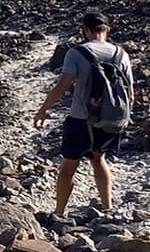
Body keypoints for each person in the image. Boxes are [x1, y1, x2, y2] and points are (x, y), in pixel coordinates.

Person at [31, 12, 135, 217]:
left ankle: (59, 212)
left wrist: (43, 110)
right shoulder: (121, 54)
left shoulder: (77, 53)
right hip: (112, 119)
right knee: (99, 159)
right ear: (108, 30)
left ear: (85, 31)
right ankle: (107, 208)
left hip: (80, 118)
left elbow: (62, 87)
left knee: (69, 164)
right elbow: (130, 93)